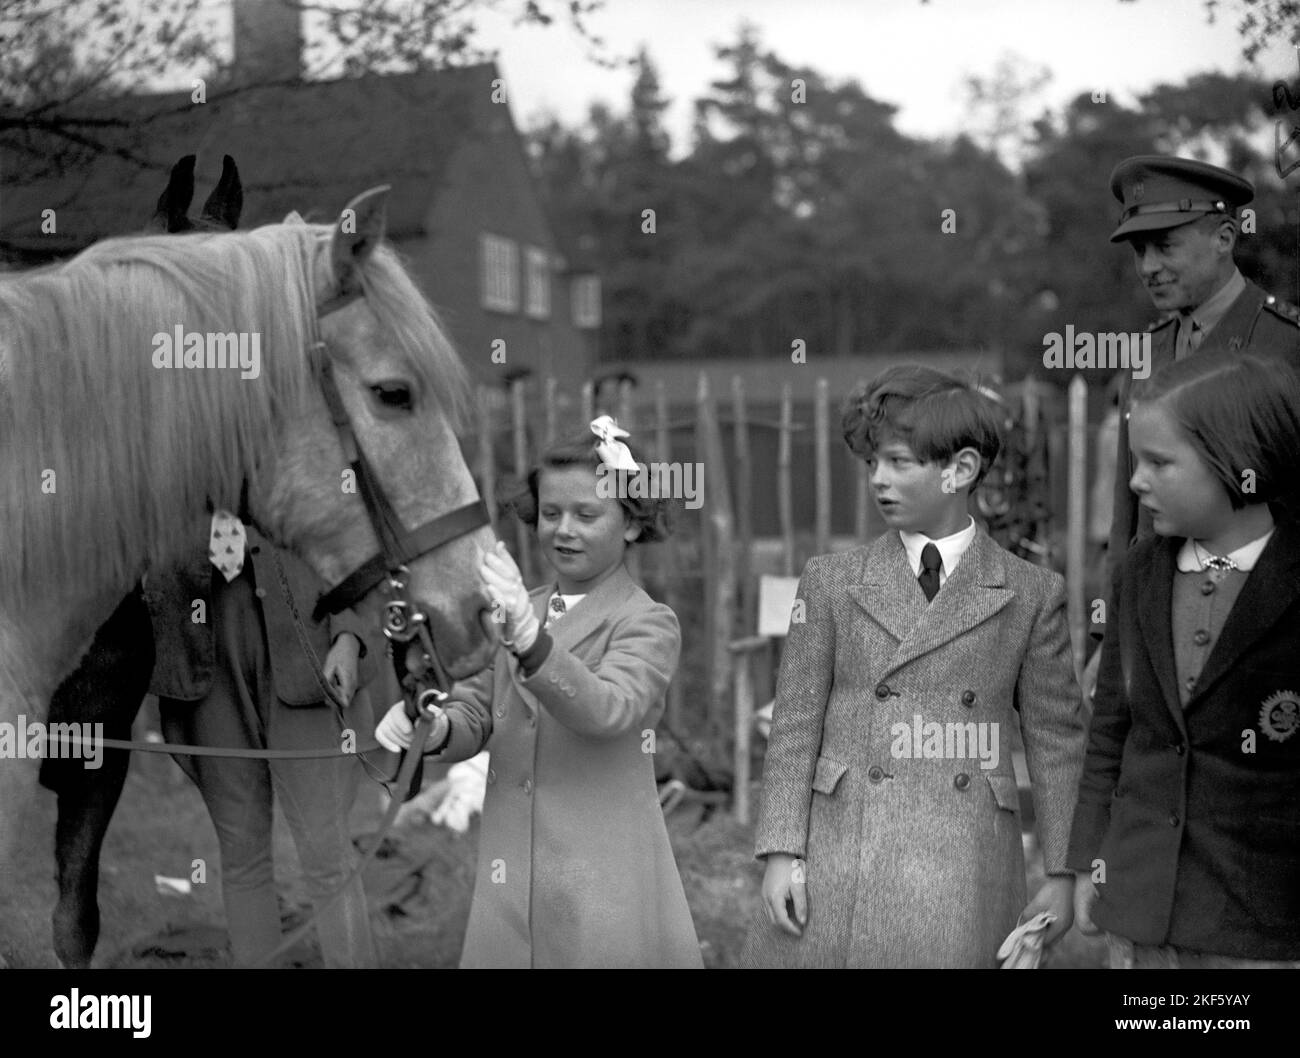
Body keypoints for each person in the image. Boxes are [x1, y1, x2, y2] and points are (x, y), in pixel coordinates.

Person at [742, 365, 1086, 968]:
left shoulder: (1030, 592)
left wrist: (1062, 871)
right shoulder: (831, 581)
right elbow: (794, 725)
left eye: (900, 463)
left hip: (964, 858)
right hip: (839, 849)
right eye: (873, 463)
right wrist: (779, 851)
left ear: (961, 470)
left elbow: (1057, 739)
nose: (880, 480)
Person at [375, 417, 702, 968]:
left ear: (630, 525)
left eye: (586, 514)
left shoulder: (647, 622)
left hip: (602, 878)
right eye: (551, 514)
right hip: (513, 872)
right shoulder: (520, 606)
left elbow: (609, 711)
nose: (564, 529)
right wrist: (429, 726)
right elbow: (476, 709)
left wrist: (531, 640)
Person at [1069, 353, 1300, 969]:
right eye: (1134, 461)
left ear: (1240, 463)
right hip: (1143, 918)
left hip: (1262, 927)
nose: (1136, 481)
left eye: (1159, 463)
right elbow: (1110, 735)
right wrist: (1088, 861)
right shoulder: (1139, 572)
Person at [144, 514, 380, 967]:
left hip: (304, 645)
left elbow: (348, 530)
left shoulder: (298, 444)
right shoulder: (156, 446)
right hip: (202, 658)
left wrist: (349, 633)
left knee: (326, 850)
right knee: (241, 853)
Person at [1103, 155, 1300, 585]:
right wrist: (1110, 634)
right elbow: (1127, 518)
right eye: (1140, 251)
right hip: (1153, 619)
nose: (1148, 267)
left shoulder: (1286, 346)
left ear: (1225, 238)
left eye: (1165, 246)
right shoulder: (1147, 351)